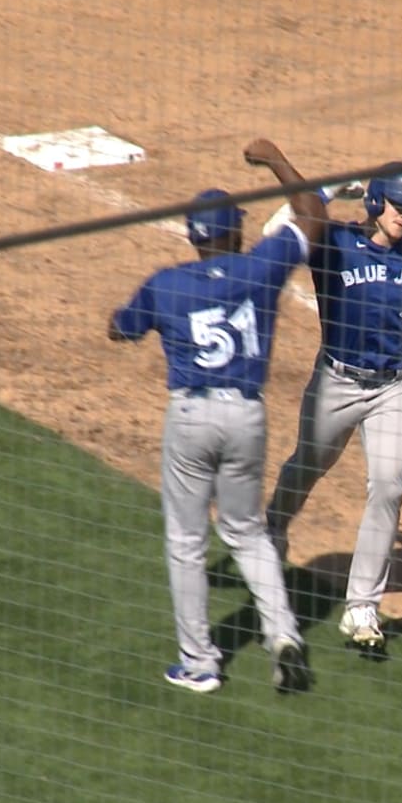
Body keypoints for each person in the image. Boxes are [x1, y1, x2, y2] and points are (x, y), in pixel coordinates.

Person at [108, 138, 326, 694]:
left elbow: (121, 329)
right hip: (247, 419)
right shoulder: (263, 266)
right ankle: (284, 638)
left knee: (186, 542)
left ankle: (200, 663)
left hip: (191, 419)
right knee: (247, 533)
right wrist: (277, 159)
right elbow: (312, 214)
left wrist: (134, 317)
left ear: (192, 238)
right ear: (234, 233)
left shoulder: (166, 284)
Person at [263, 162, 402, 651]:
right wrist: (328, 189)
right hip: (336, 380)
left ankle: (362, 607)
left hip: (396, 389)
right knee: (309, 463)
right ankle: (273, 528)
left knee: (388, 485)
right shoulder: (333, 242)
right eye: (401, 207)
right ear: (376, 202)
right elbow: (273, 232)